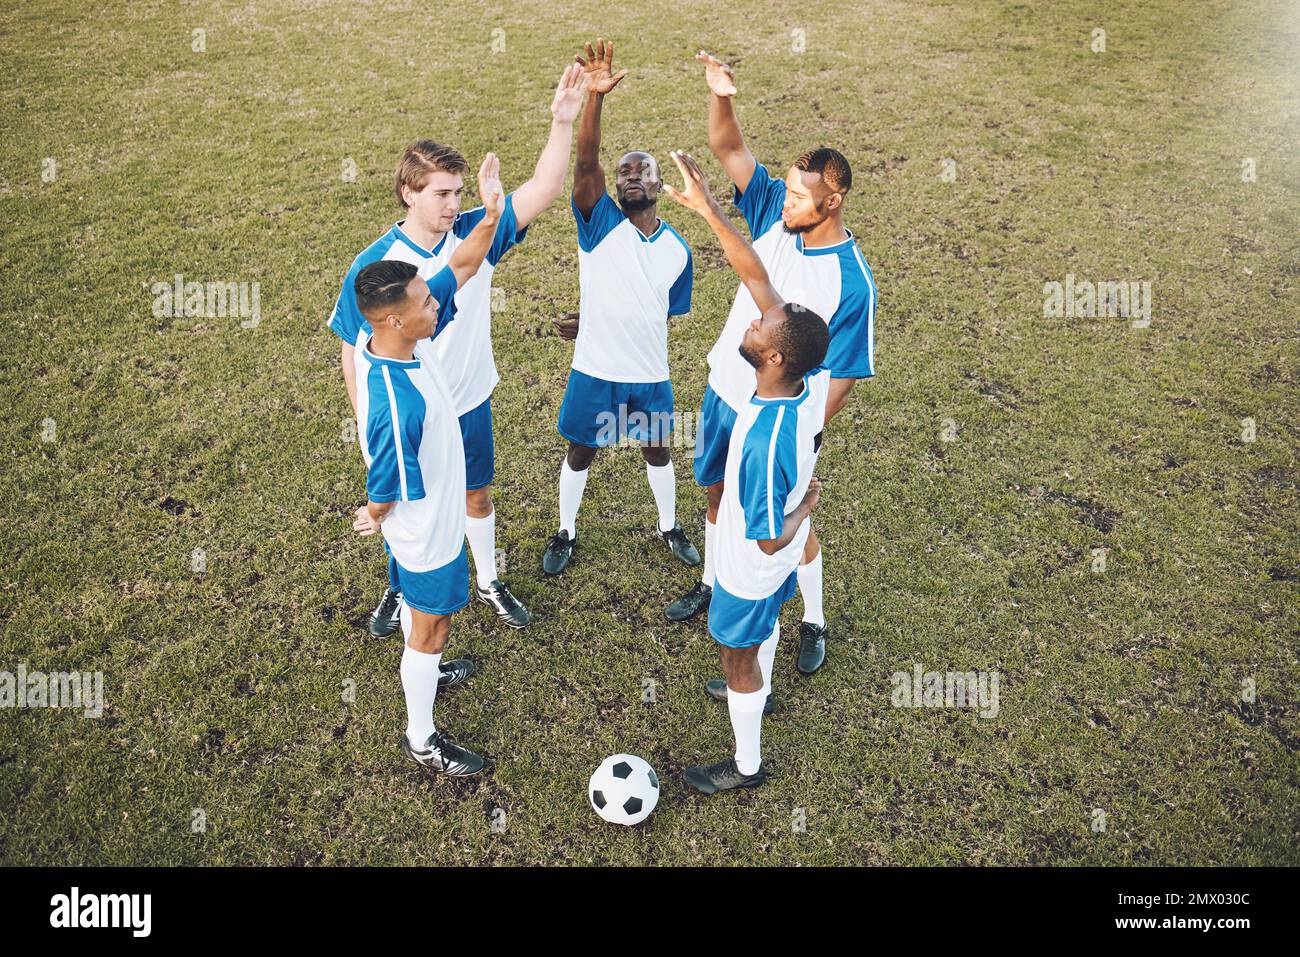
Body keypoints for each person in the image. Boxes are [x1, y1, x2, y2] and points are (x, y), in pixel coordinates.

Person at [331, 64, 588, 634]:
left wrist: (562, 121)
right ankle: (400, 589)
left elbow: (545, 189)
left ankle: (489, 581)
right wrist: (365, 419)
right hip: (412, 413)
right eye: (441, 194)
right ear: (409, 192)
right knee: (406, 506)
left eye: (456, 192)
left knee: (477, 495)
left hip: (469, 399)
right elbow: (353, 348)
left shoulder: (477, 231)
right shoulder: (375, 267)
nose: (452, 204)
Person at [665, 52, 877, 681]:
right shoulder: (771, 215)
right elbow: (725, 144)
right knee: (717, 492)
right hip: (726, 391)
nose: (785, 202)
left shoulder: (852, 281)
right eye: (784, 190)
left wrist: (806, 428)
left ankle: (812, 619)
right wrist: (721, 94)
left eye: (799, 196)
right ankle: (712, 579)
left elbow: (843, 370)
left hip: (785, 418)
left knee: (788, 521)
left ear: (832, 200)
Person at [662, 150, 830, 794]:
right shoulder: (793, 393)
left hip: (749, 568)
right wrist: (708, 208)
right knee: (760, 635)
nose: (753, 316)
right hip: (771, 571)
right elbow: (755, 272)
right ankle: (756, 676)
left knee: (736, 655)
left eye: (761, 323)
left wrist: (805, 509)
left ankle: (746, 763)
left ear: (774, 353)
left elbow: (766, 536)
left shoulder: (761, 437)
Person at [349, 153, 507, 775]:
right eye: (424, 300)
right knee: (431, 623)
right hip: (426, 533)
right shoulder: (396, 403)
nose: (436, 303)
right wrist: (374, 513)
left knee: (430, 624)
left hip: (433, 517)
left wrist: (491, 215)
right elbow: (385, 483)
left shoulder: (400, 334)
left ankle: (432, 665)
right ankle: (423, 739)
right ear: (395, 318)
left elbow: (461, 264)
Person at [541, 39, 699, 576]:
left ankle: (669, 525)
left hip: (650, 374)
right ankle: (566, 529)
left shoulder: (678, 250)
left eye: (643, 170)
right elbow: (585, 161)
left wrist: (594, 315)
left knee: (659, 451)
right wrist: (595, 98)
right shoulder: (599, 222)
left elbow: (660, 310)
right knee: (580, 451)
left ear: (659, 184)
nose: (631, 175)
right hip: (595, 370)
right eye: (624, 170)